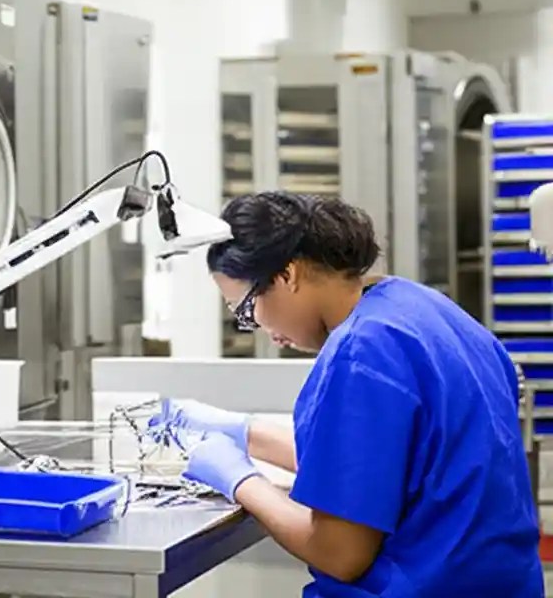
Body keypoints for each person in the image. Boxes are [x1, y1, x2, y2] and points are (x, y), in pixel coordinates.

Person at [155, 191, 543, 597]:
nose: (262, 330)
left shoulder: (361, 353)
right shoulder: (416, 306)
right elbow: (381, 463)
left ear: (287, 276)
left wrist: (240, 481)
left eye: (247, 309)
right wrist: (242, 432)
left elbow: (340, 553)